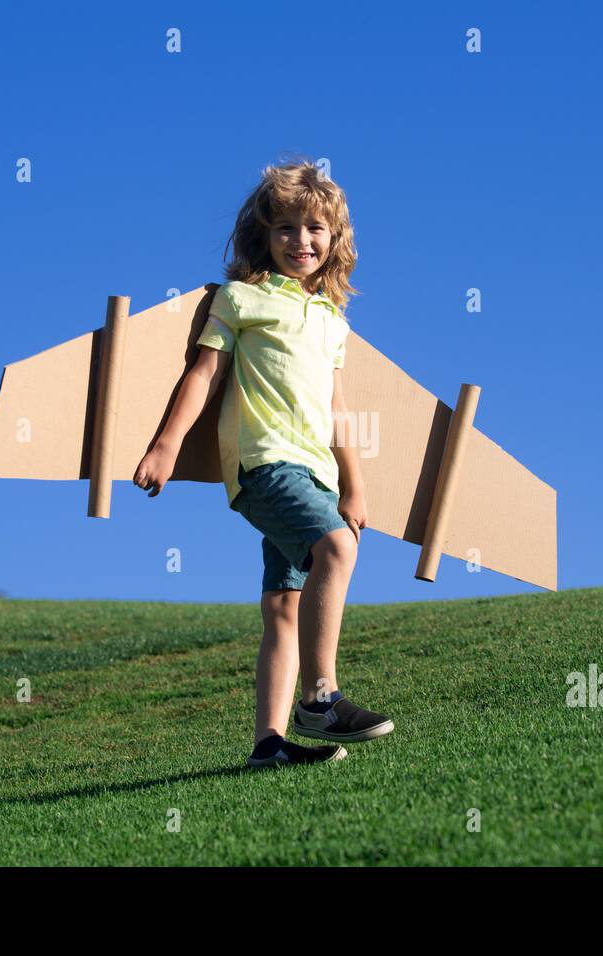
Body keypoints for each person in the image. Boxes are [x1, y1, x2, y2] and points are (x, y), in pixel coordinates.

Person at [132, 160, 394, 768]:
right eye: (285, 229)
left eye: (314, 230)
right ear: (263, 237)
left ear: (334, 242)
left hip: (316, 474)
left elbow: (336, 408)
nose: (300, 241)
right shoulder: (242, 298)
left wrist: (354, 484)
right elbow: (203, 374)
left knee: (285, 605)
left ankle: (268, 745)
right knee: (336, 549)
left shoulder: (332, 322)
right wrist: (166, 445)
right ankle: (320, 700)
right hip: (264, 465)